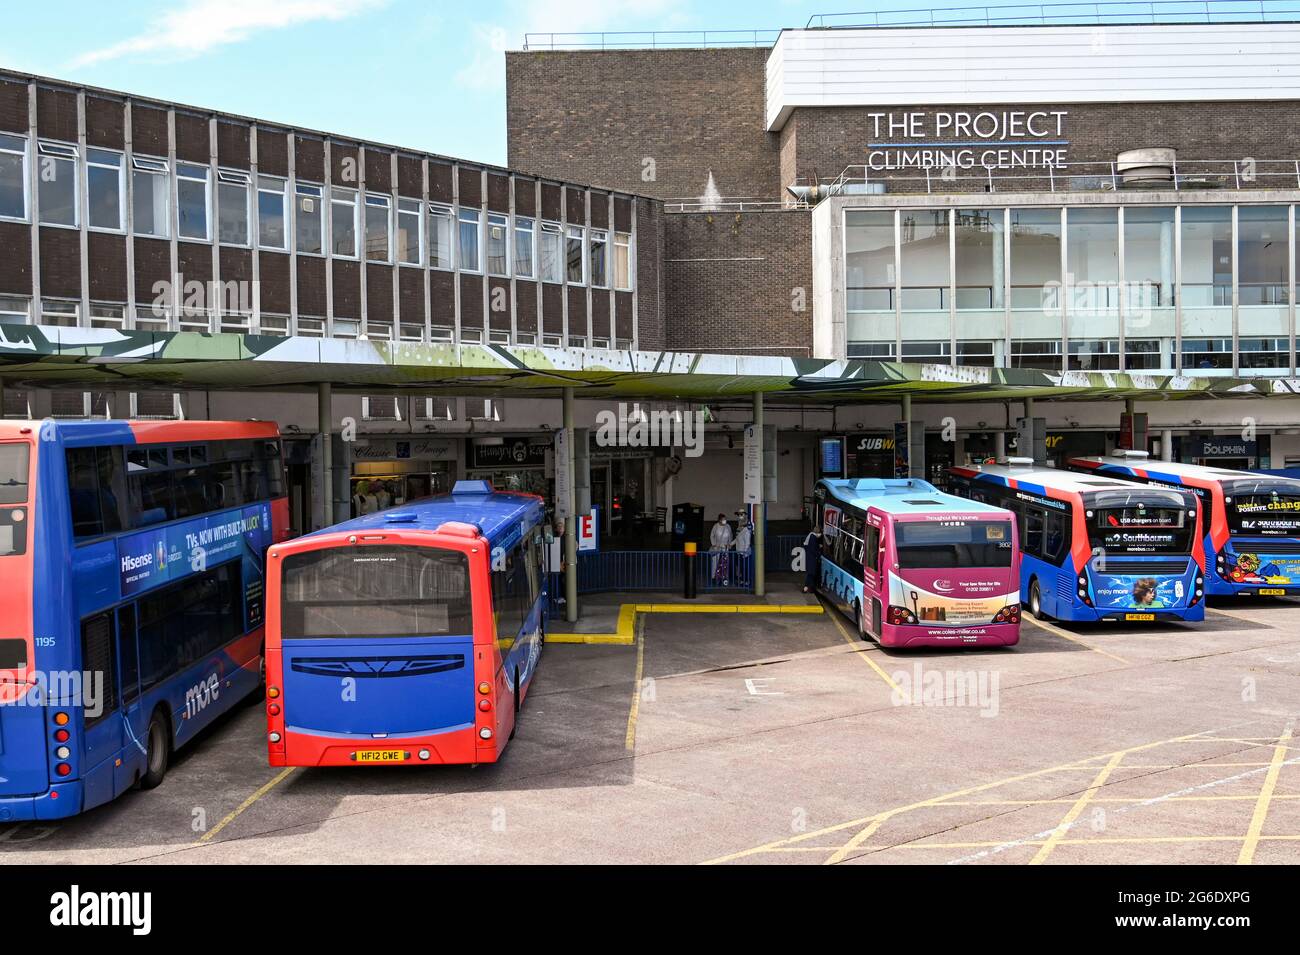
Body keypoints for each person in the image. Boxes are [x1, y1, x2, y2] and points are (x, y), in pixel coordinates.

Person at [710, 513, 733, 583]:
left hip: (725, 547)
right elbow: (711, 535)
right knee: (715, 563)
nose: (725, 520)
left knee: (725, 563)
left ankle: (724, 577)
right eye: (723, 519)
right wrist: (713, 544)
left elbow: (731, 535)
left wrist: (730, 544)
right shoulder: (715, 526)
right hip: (717, 547)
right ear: (719, 520)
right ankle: (713, 577)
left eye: (725, 519)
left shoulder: (728, 526)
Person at [802, 527, 823, 594]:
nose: (820, 535)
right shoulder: (813, 538)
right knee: (811, 574)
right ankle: (809, 589)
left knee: (810, 574)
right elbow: (814, 550)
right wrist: (819, 552)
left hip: (810, 559)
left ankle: (806, 588)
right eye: (820, 533)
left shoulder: (810, 536)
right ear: (817, 533)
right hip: (812, 560)